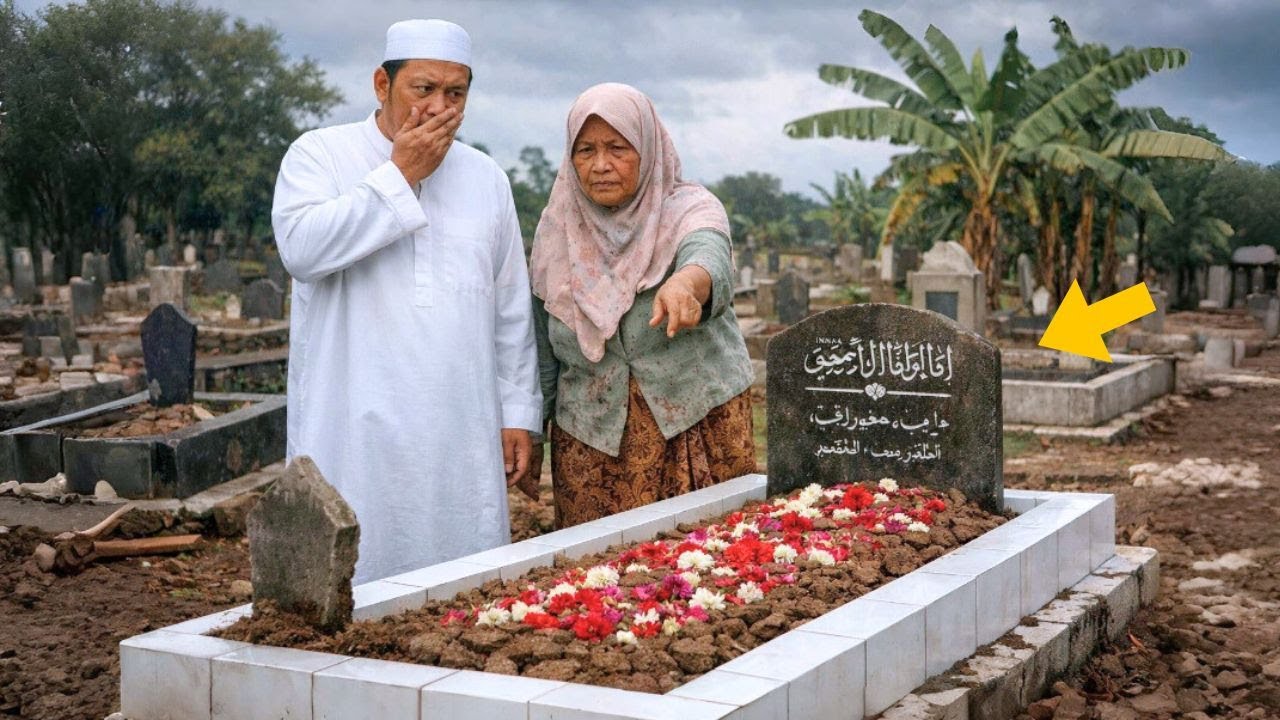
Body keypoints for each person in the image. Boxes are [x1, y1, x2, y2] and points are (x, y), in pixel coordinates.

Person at [272, 19, 541, 583]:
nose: (439, 107)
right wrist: (400, 174)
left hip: (460, 422)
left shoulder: (486, 177)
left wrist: (517, 413)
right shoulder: (319, 155)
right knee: (355, 569)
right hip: (352, 418)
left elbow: (509, 306)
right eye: (423, 89)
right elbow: (302, 250)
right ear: (381, 85)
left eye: (456, 93)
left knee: (463, 577)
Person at [530, 83, 756, 529]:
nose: (600, 165)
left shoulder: (689, 208)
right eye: (586, 150)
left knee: (703, 570)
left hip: (694, 426)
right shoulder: (557, 232)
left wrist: (687, 285)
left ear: (648, 149)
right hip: (590, 443)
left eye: (618, 148)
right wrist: (534, 431)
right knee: (595, 579)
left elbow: (708, 253)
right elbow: (543, 346)